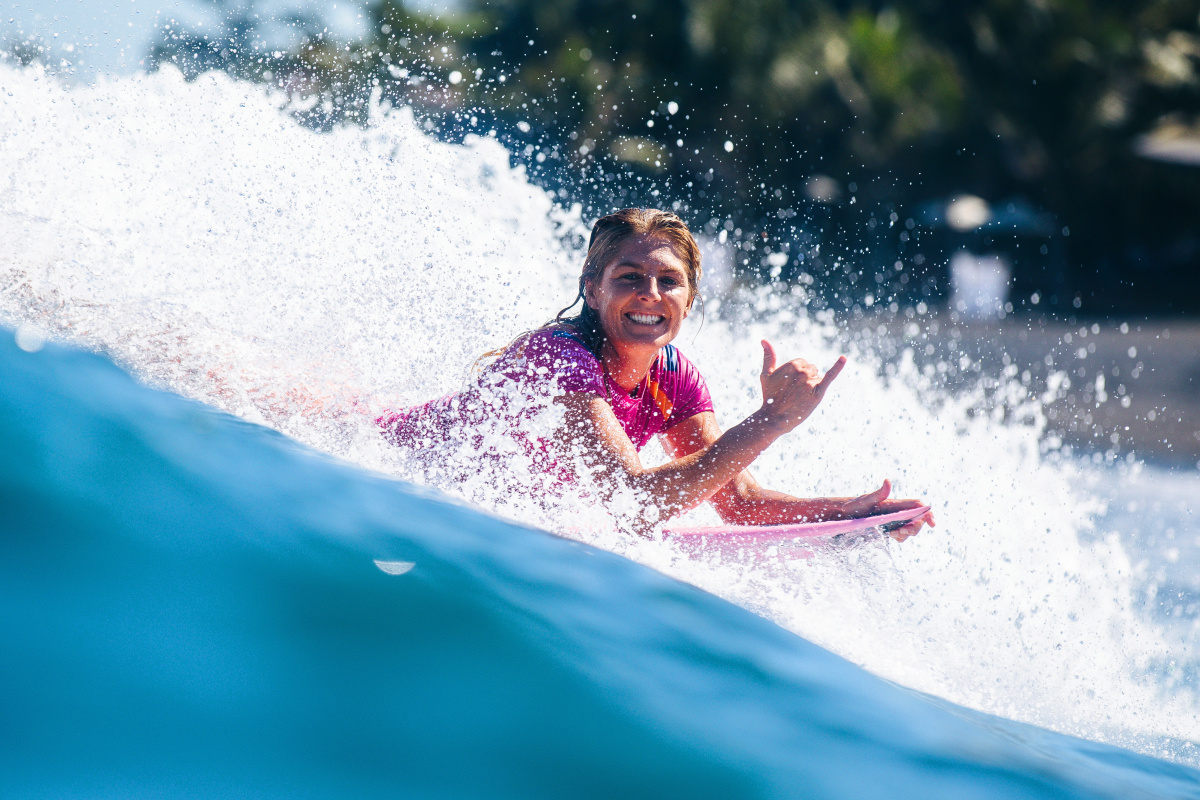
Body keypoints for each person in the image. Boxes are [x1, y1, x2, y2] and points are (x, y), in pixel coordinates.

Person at [378, 208, 934, 540]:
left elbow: (738, 503)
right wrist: (769, 422)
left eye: (669, 281)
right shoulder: (562, 359)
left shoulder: (674, 376)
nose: (650, 294)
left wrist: (850, 512)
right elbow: (632, 501)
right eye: (629, 277)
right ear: (592, 288)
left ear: (689, 300)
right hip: (391, 468)